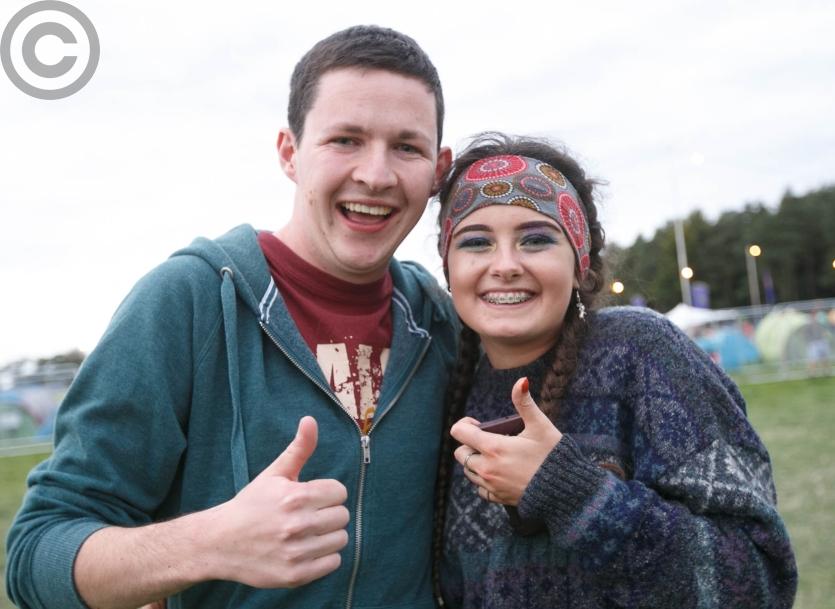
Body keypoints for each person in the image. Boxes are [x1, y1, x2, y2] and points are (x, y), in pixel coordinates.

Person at [6, 25, 456, 609]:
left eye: (407, 147)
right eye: (345, 139)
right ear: (290, 153)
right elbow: (36, 552)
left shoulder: (439, 323)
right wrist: (208, 544)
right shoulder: (187, 300)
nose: (375, 174)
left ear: (439, 169)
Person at [432, 133, 798, 608]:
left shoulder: (639, 352)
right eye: (476, 242)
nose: (505, 265)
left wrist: (570, 492)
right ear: (447, 265)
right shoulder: (450, 389)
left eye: (536, 239)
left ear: (581, 264)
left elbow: (759, 581)